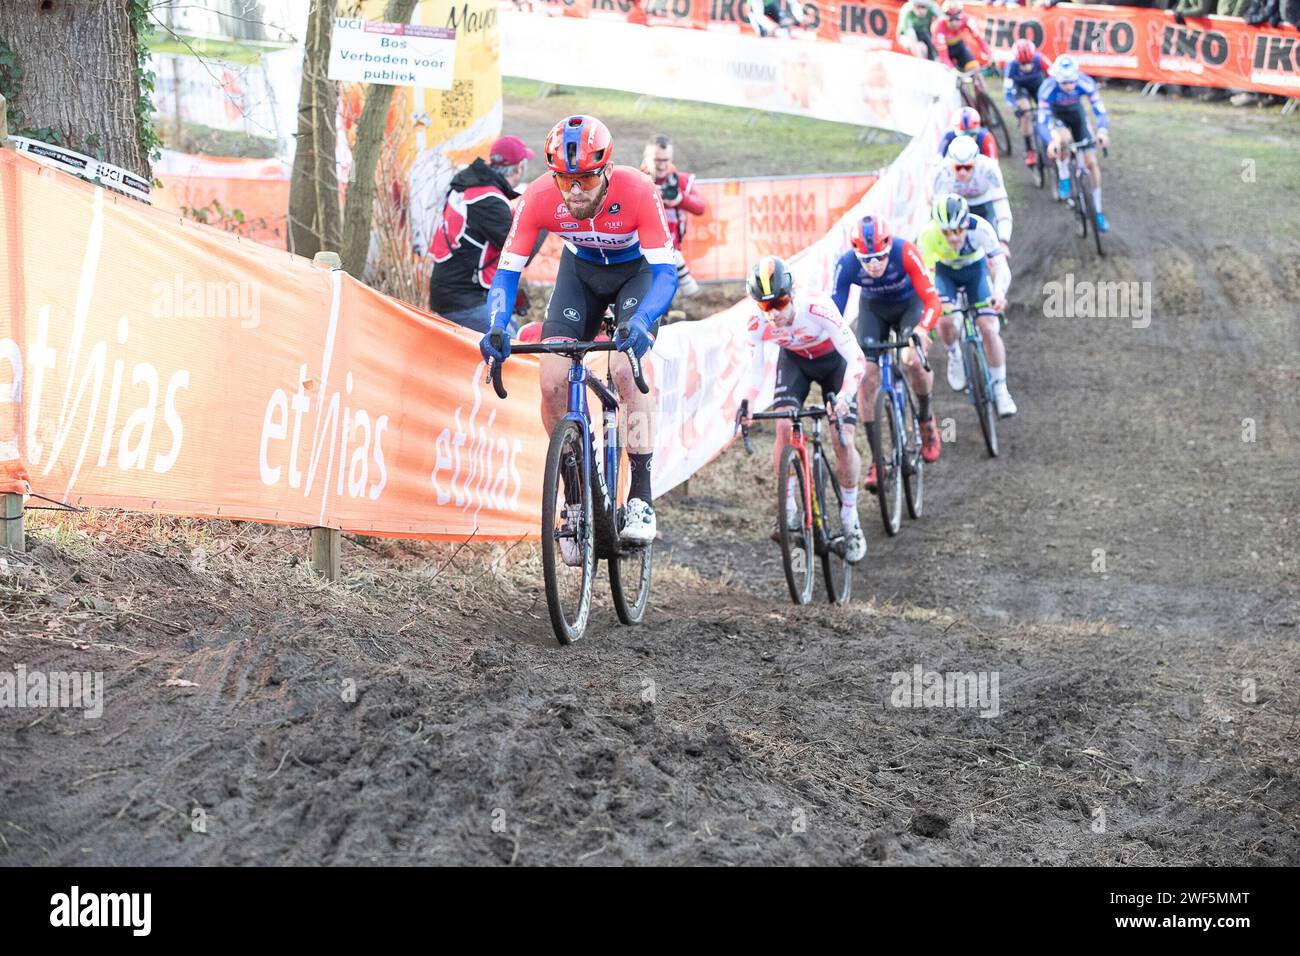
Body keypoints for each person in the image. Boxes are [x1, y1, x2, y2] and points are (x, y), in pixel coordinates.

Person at [479, 115, 678, 553]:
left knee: (627, 371)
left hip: (636, 276)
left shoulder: (638, 190)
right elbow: (506, 273)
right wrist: (497, 324)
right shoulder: (538, 197)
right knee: (551, 380)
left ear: (606, 170)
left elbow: (666, 273)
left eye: (585, 179)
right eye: (565, 179)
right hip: (581, 276)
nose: (574, 190)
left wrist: (642, 322)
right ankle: (576, 498)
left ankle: (641, 496)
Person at [743, 256, 868, 564]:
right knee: (784, 426)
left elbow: (857, 358)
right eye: (764, 306)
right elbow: (753, 369)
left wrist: (845, 395)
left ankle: (850, 518)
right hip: (795, 362)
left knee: (842, 440)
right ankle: (788, 511)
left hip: (834, 364)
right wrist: (745, 403)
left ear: (792, 294)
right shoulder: (757, 323)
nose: (773, 313)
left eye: (780, 303)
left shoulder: (817, 307)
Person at [831, 215, 943, 493]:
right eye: (866, 260)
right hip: (874, 311)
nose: (873, 265)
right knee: (866, 377)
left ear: (888, 247)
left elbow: (932, 300)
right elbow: (835, 312)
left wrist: (923, 328)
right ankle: (877, 461)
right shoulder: (846, 264)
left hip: (909, 306)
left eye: (879, 257)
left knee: (912, 360)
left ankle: (926, 419)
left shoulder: (905, 251)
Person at [916, 195, 1017, 418]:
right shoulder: (927, 235)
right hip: (945, 274)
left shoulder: (981, 228)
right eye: (947, 232)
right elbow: (924, 277)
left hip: (975, 271)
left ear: (966, 224)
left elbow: (1001, 266)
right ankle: (954, 355)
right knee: (944, 320)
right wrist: (935, 303)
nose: (953, 237)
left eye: (958, 231)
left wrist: (999, 293)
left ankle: (1001, 389)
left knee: (988, 327)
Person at [428, 135, 535, 332]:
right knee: (509, 345)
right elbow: (521, 253)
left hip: (460, 292)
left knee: (511, 327)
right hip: (461, 300)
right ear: (519, 168)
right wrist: (542, 219)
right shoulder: (488, 200)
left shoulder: (472, 187)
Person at [1036, 55, 1111, 232]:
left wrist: (1102, 131)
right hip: (1057, 117)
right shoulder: (1047, 88)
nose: (1069, 86)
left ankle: (1098, 212)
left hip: (1077, 116)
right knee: (1063, 139)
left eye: (1072, 82)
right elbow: (1042, 121)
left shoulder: (1085, 82)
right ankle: (1063, 176)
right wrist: (1050, 142)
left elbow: (1100, 111)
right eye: (1064, 83)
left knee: (1092, 163)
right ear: (1056, 78)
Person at [641, 134, 705, 298]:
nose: (662, 166)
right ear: (646, 157)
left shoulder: (681, 181)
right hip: (641, 249)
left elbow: (700, 207)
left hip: (672, 248)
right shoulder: (637, 179)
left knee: (676, 289)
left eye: (666, 160)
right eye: (657, 160)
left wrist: (680, 198)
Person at [932, 134, 1013, 249]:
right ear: (951, 164)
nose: (963, 172)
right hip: (955, 206)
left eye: (968, 167)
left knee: (992, 244)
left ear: (976, 163)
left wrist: (1003, 241)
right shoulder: (941, 171)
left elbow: (1001, 204)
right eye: (958, 168)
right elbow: (938, 209)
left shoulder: (989, 168)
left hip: (984, 203)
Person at [1003, 38, 1053, 168]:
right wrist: (1015, 106)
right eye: (1022, 63)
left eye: (1028, 62)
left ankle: (1052, 139)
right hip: (1021, 90)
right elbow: (1008, 91)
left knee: (1048, 111)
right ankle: (1030, 149)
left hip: (1038, 87)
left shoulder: (1040, 59)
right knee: (1025, 114)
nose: (1026, 67)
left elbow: (1053, 77)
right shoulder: (1011, 66)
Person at [931, 1, 992, 73]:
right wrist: (952, 69)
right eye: (951, 20)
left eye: (957, 19)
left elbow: (979, 38)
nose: (954, 23)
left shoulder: (967, 20)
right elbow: (943, 55)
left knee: (974, 68)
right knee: (947, 71)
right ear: (945, 18)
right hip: (943, 49)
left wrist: (988, 53)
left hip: (958, 45)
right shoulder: (938, 27)